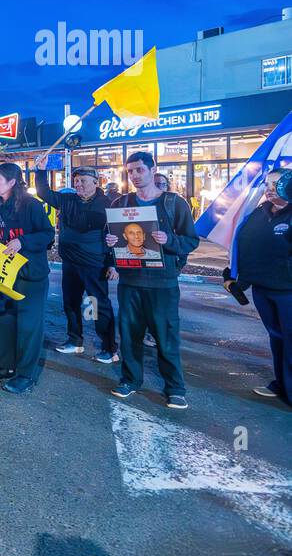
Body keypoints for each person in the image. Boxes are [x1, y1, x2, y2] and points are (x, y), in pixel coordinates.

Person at [105, 150, 199, 410]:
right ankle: (130, 380)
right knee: (129, 335)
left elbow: (191, 240)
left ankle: (175, 388)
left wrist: (170, 241)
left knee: (166, 337)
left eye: (139, 170)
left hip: (163, 283)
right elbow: (112, 239)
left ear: (152, 169)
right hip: (131, 281)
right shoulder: (120, 204)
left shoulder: (172, 203)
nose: (134, 175)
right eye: (130, 171)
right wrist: (111, 243)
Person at [0, 163, 56, 394]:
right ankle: (5, 367)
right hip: (5, 274)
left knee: (29, 327)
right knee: (4, 322)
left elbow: (47, 234)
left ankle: (25, 375)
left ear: (12, 182)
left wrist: (22, 242)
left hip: (31, 275)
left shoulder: (31, 205)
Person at [34, 165, 115, 362]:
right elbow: (43, 192)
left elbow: (115, 237)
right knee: (70, 303)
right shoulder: (67, 199)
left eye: (83, 181)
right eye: (76, 181)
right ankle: (75, 340)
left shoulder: (108, 204)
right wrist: (41, 170)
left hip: (95, 265)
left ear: (96, 183)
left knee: (95, 305)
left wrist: (113, 264)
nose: (78, 185)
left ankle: (108, 347)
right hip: (70, 262)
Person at [228, 169, 292, 406]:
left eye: (276, 184)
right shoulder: (259, 212)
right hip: (262, 288)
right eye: (267, 184)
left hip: (287, 290)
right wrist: (237, 277)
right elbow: (245, 246)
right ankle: (282, 384)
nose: (269, 188)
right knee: (277, 338)